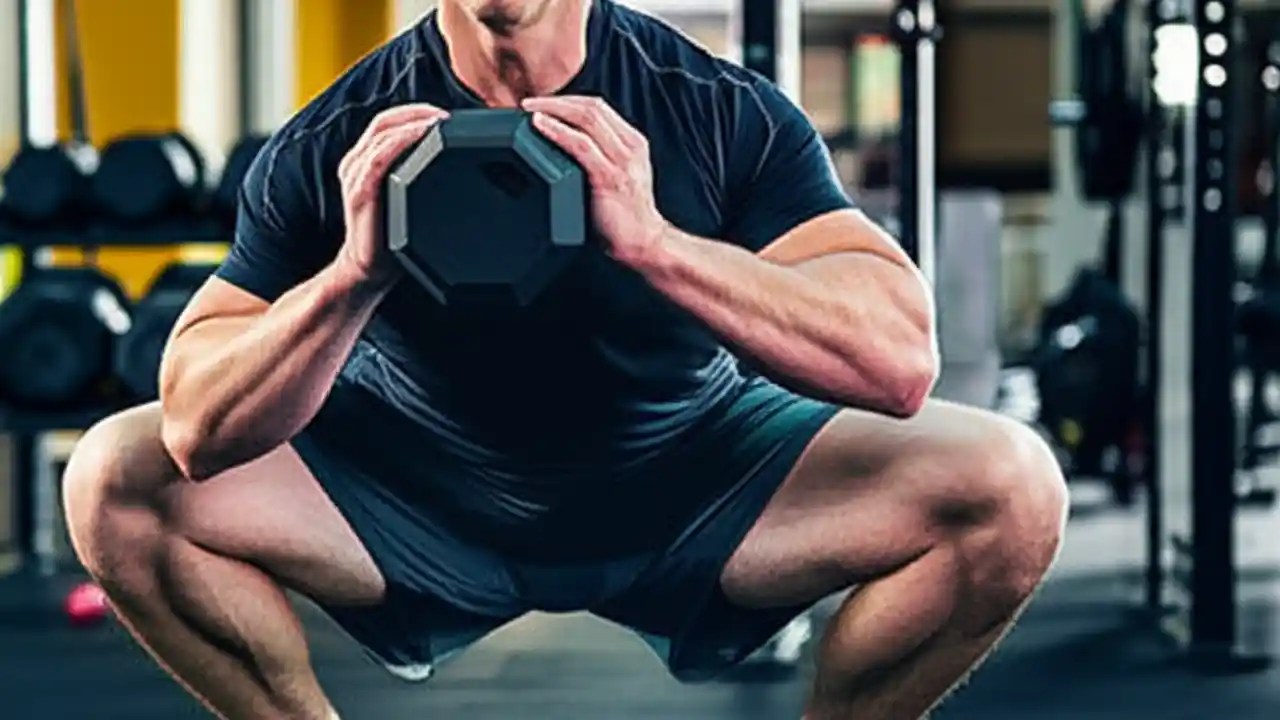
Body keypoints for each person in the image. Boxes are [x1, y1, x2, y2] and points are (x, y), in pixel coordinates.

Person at [61, 1, 1068, 718]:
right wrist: (351, 274)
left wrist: (653, 242)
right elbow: (194, 424)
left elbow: (898, 359)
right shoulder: (333, 139)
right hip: (418, 494)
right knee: (114, 476)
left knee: (1007, 486)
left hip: (690, 481)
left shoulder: (715, 109)